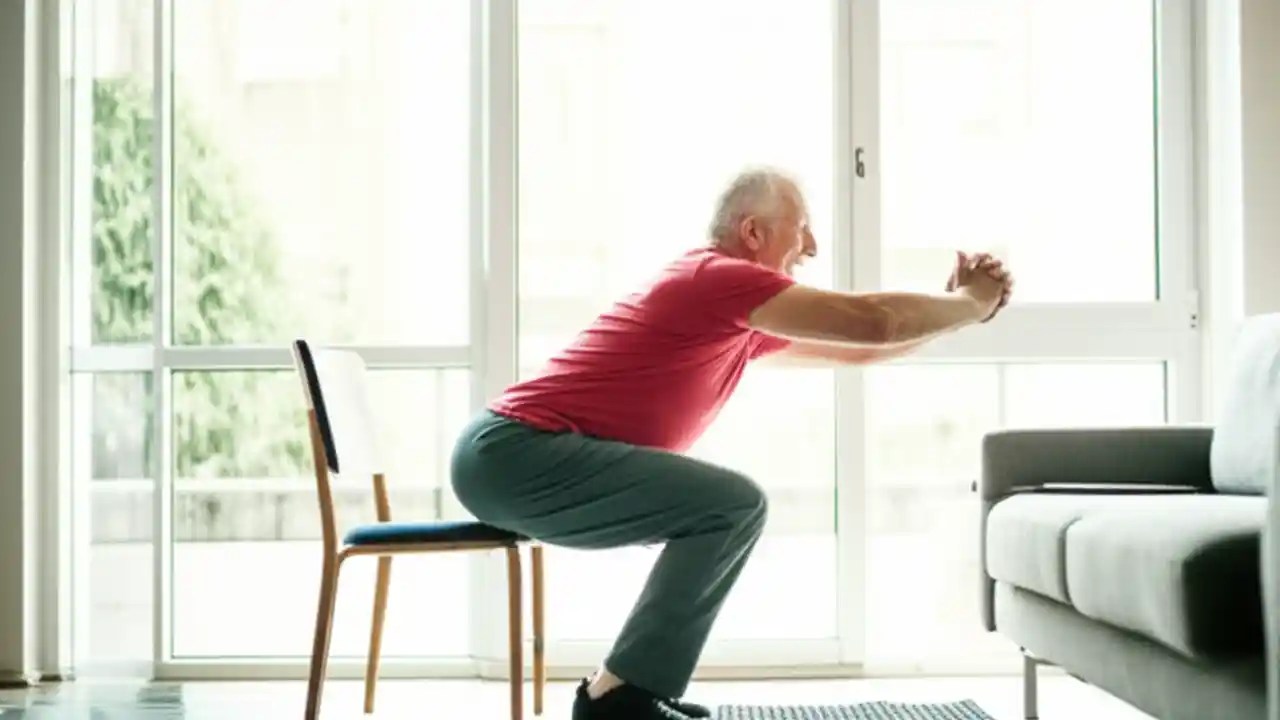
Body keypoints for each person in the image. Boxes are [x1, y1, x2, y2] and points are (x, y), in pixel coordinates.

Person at [450, 168, 1014, 719]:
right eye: (803, 227)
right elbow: (873, 320)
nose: (812, 246)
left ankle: (625, 692)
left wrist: (961, 314)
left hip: (512, 458)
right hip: (513, 454)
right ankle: (618, 698)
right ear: (753, 233)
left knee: (725, 509)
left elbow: (863, 344)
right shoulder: (718, 278)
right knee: (731, 505)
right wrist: (971, 302)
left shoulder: (730, 311)